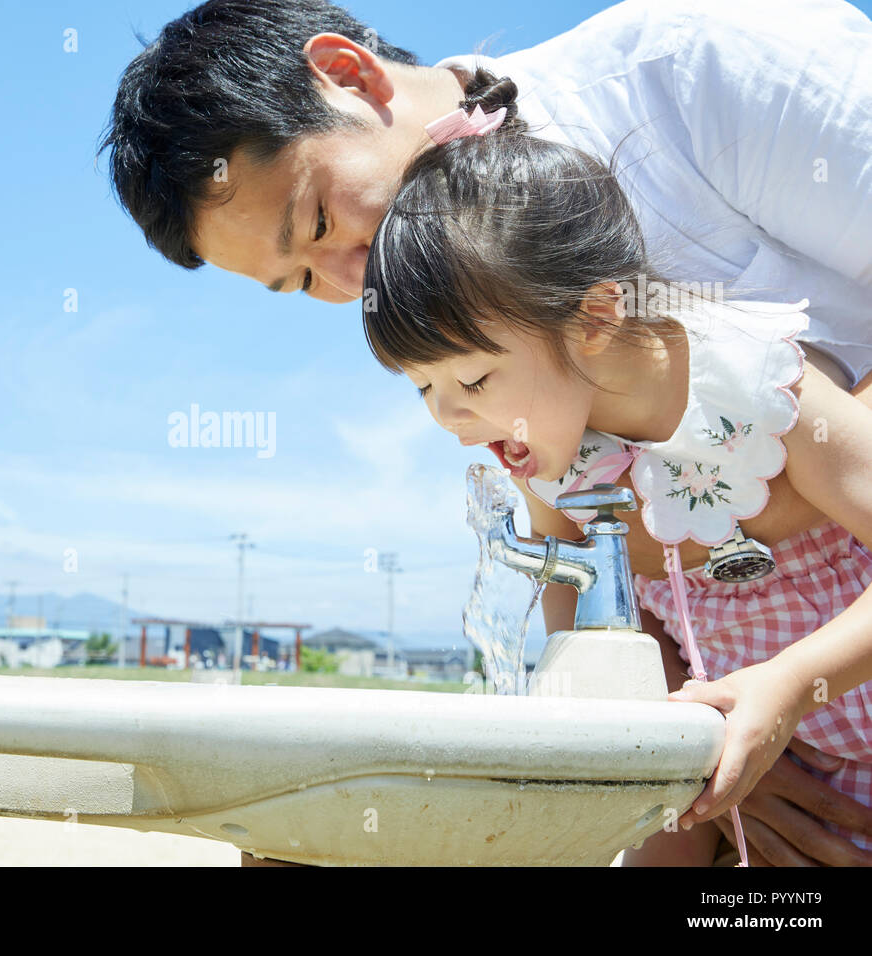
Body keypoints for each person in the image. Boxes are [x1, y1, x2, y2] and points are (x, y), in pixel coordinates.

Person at [101, 0, 872, 866]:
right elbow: (600, 589)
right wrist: (689, 750)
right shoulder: (475, 334)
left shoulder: (696, 67)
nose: (350, 281)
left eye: (318, 222)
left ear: (348, 75)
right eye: (298, 282)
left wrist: (790, 687)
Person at [361, 113, 872, 864]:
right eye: (425, 391)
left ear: (596, 317)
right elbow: (612, 673)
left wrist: (794, 683)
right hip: (783, 771)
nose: (451, 422)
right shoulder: (552, 470)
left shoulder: (763, 387)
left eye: (471, 380)